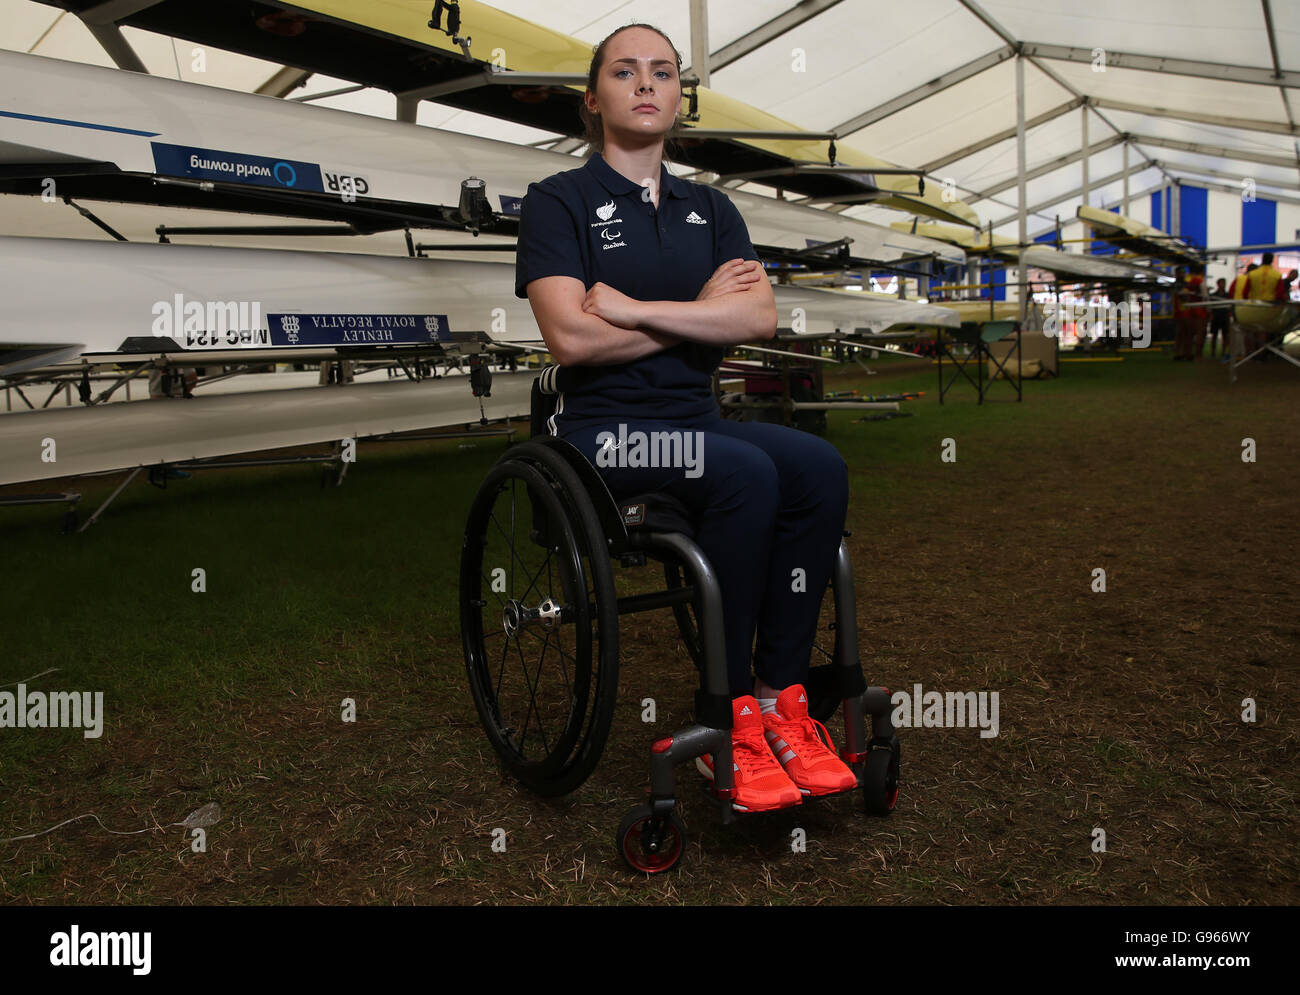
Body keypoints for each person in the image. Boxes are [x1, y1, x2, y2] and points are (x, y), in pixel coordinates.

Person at [514, 23, 857, 812]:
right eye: (625, 72)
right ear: (593, 99)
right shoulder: (557, 201)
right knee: (742, 470)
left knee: (817, 467)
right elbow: (570, 337)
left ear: (678, 97)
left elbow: (758, 318)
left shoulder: (712, 207)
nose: (645, 84)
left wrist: (636, 310)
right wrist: (699, 312)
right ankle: (727, 714)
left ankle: (781, 700)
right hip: (603, 430)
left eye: (663, 73)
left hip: (696, 418)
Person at [1207, 277, 1230, 359]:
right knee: (1214, 335)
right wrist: (1211, 316)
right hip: (1216, 317)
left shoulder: (1228, 295)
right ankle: (1213, 352)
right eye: (1221, 283)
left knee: (1225, 335)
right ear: (1218, 284)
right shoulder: (1213, 296)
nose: (1223, 285)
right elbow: (1210, 307)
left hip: (1224, 317)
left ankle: (1223, 352)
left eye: (1224, 283)